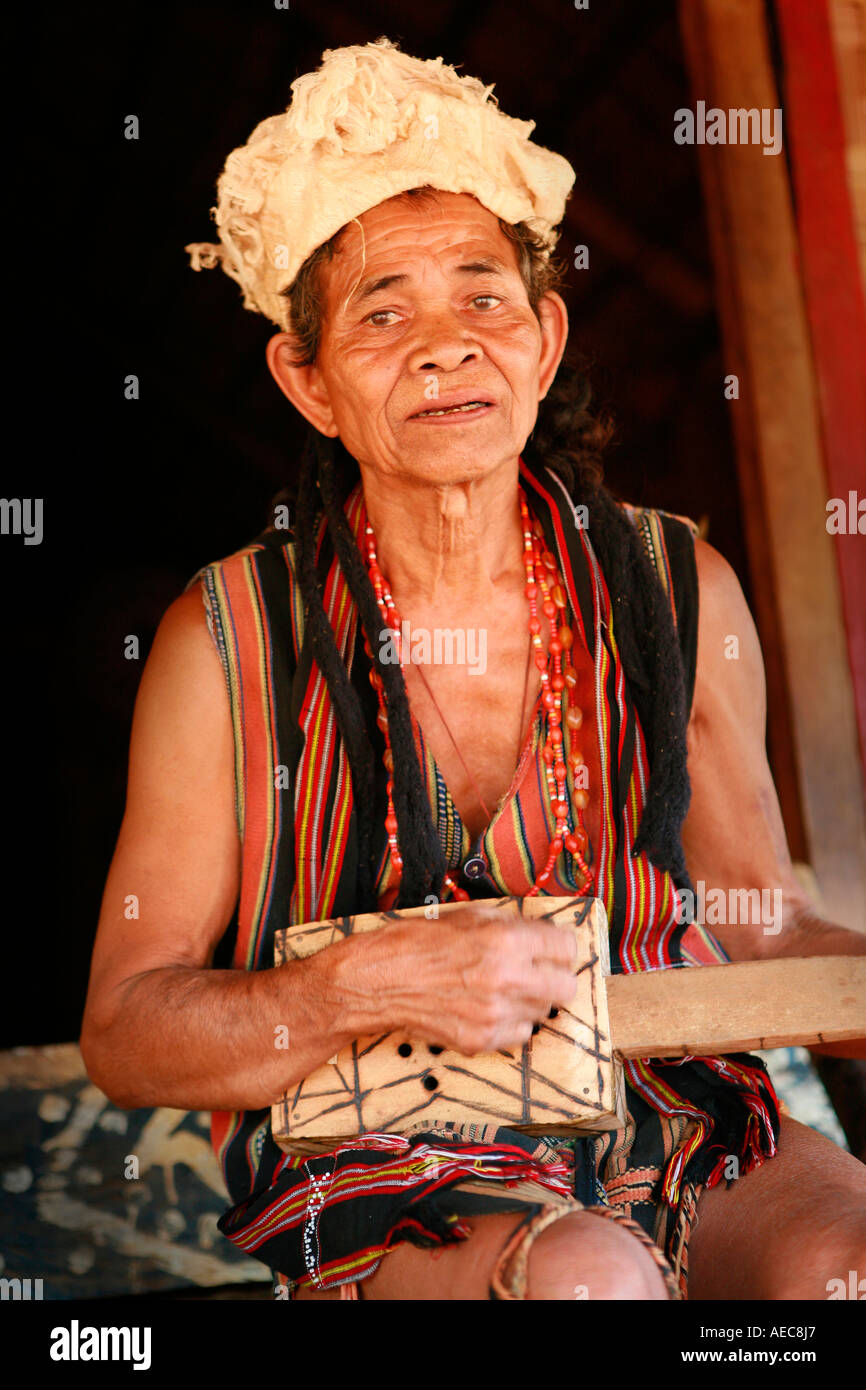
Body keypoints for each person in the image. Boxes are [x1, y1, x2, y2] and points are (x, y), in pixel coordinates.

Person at [81, 39, 865, 1301]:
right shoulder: (226, 641)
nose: (445, 346)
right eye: (381, 312)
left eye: (481, 296)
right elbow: (125, 1028)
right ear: (310, 379)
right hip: (395, 1155)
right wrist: (355, 986)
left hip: (679, 1118)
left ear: (543, 340)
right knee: (584, 1284)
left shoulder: (672, 592)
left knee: (847, 1265)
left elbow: (756, 919)